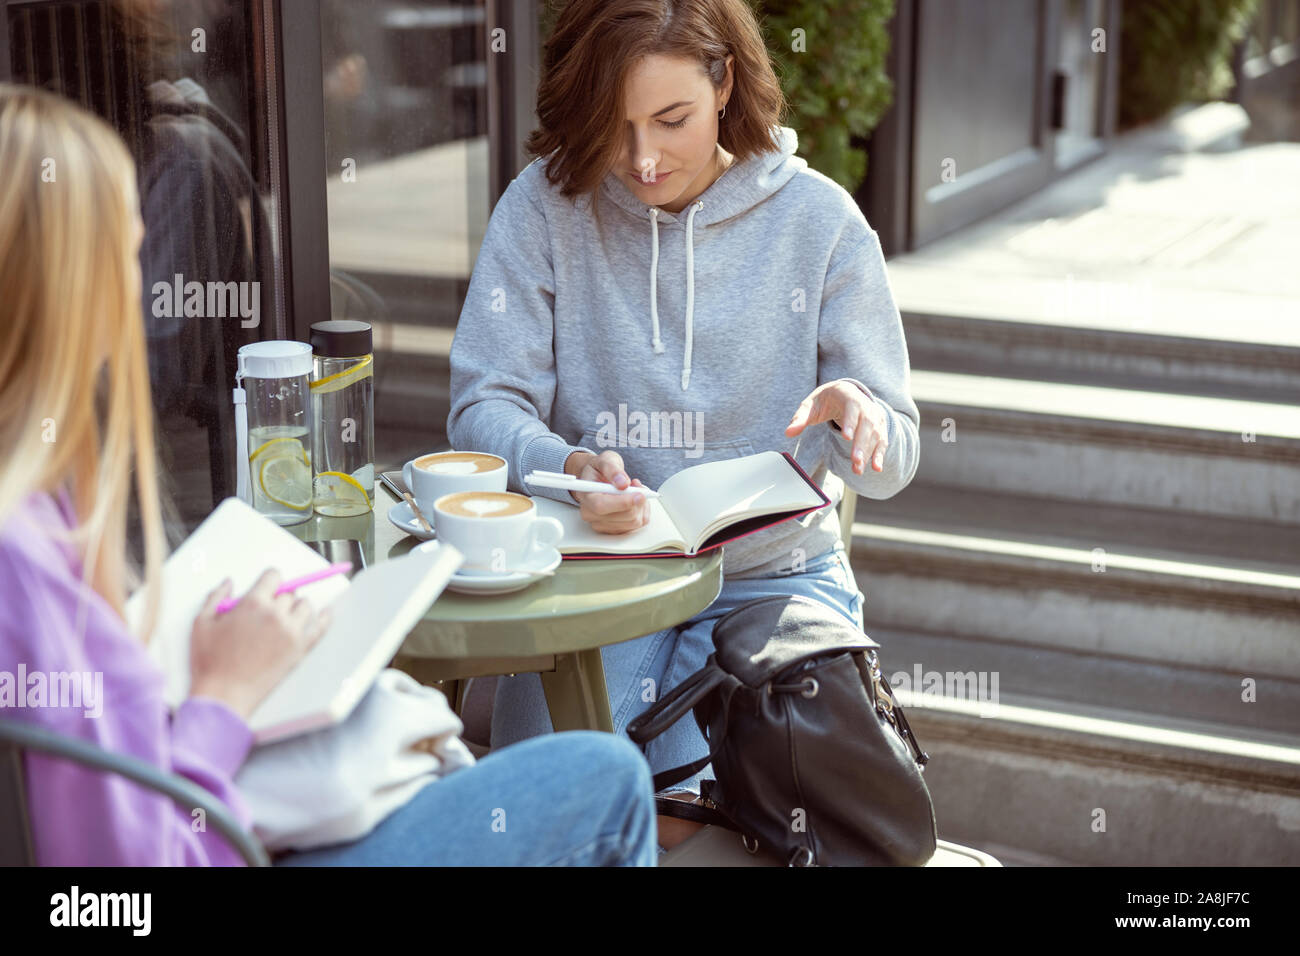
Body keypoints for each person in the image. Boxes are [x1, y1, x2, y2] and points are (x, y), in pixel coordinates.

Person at [0, 84, 656, 867]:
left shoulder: (36, 528)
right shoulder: (24, 563)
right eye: (129, 255)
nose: (143, 289)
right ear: (69, 294)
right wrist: (222, 697)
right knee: (606, 779)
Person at [447, 0, 921, 850]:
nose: (641, 158)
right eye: (613, 124)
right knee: (554, 821)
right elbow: (483, 403)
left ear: (725, 81)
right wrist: (565, 466)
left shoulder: (820, 222)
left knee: (705, 825)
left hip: (772, 584)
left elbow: (894, 461)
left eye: (672, 120)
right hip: (598, 581)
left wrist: (864, 418)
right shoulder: (546, 206)